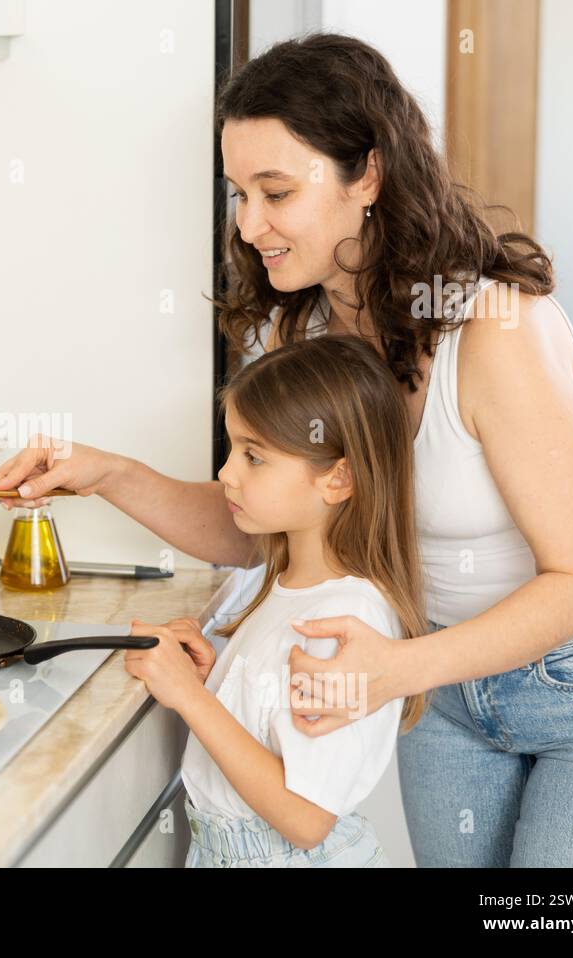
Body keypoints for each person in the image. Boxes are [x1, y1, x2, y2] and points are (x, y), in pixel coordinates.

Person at [0, 34, 573, 867]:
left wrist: (394, 668)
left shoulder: (496, 332)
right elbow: (263, 522)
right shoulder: (304, 327)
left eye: (276, 192)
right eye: (238, 193)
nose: (249, 224)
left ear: (370, 176)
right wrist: (110, 476)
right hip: (440, 681)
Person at [128, 334, 426, 867]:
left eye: (254, 456)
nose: (225, 474)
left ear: (339, 478)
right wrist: (212, 683)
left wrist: (189, 700)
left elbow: (306, 819)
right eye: (232, 449)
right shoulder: (290, 587)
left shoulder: (345, 620)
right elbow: (271, 729)